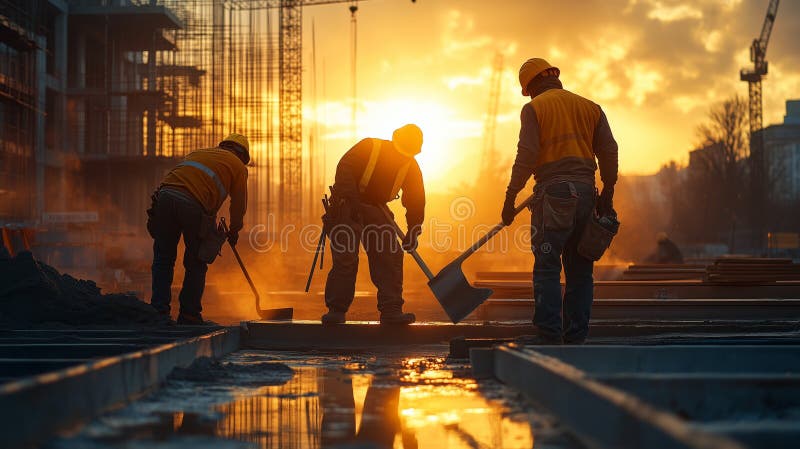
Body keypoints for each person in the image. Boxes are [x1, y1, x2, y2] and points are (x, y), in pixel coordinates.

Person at [502, 58, 618, 344]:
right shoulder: (590, 107)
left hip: (554, 196)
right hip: (587, 195)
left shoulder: (534, 108)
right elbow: (609, 150)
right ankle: (576, 336)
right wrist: (607, 192)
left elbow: (527, 154)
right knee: (580, 270)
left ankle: (549, 335)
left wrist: (510, 195)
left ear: (530, 88)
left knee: (547, 266)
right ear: (554, 77)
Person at [322, 124, 426, 325]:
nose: (403, 157)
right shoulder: (369, 147)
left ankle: (391, 310)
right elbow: (344, 168)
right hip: (347, 204)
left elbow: (416, 199)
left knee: (390, 254)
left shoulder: (410, 165)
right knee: (346, 258)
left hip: (376, 208)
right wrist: (351, 202)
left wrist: (414, 228)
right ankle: (336, 310)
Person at [147, 133, 249, 325]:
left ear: (224, 146)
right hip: (193, 204)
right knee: (196, 261)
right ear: (242, 155)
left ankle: (158, 313)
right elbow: (238, 205)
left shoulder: (198, 153)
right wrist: (235, 230)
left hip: (164, 197)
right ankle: (189, 315)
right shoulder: (238, 167)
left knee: (163, 259)